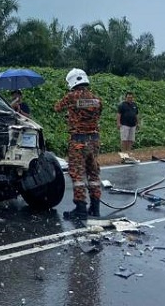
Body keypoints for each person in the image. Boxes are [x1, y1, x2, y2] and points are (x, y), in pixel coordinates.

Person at [54, 68, 103, 220]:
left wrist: (71, 116)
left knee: (77, 175)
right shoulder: (96, 99)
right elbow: (97, 113)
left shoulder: (71, 96)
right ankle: (95, 208)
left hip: (78, 141)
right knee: (93, 174)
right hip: (94, 141)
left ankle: (80, 208)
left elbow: (57, 108)